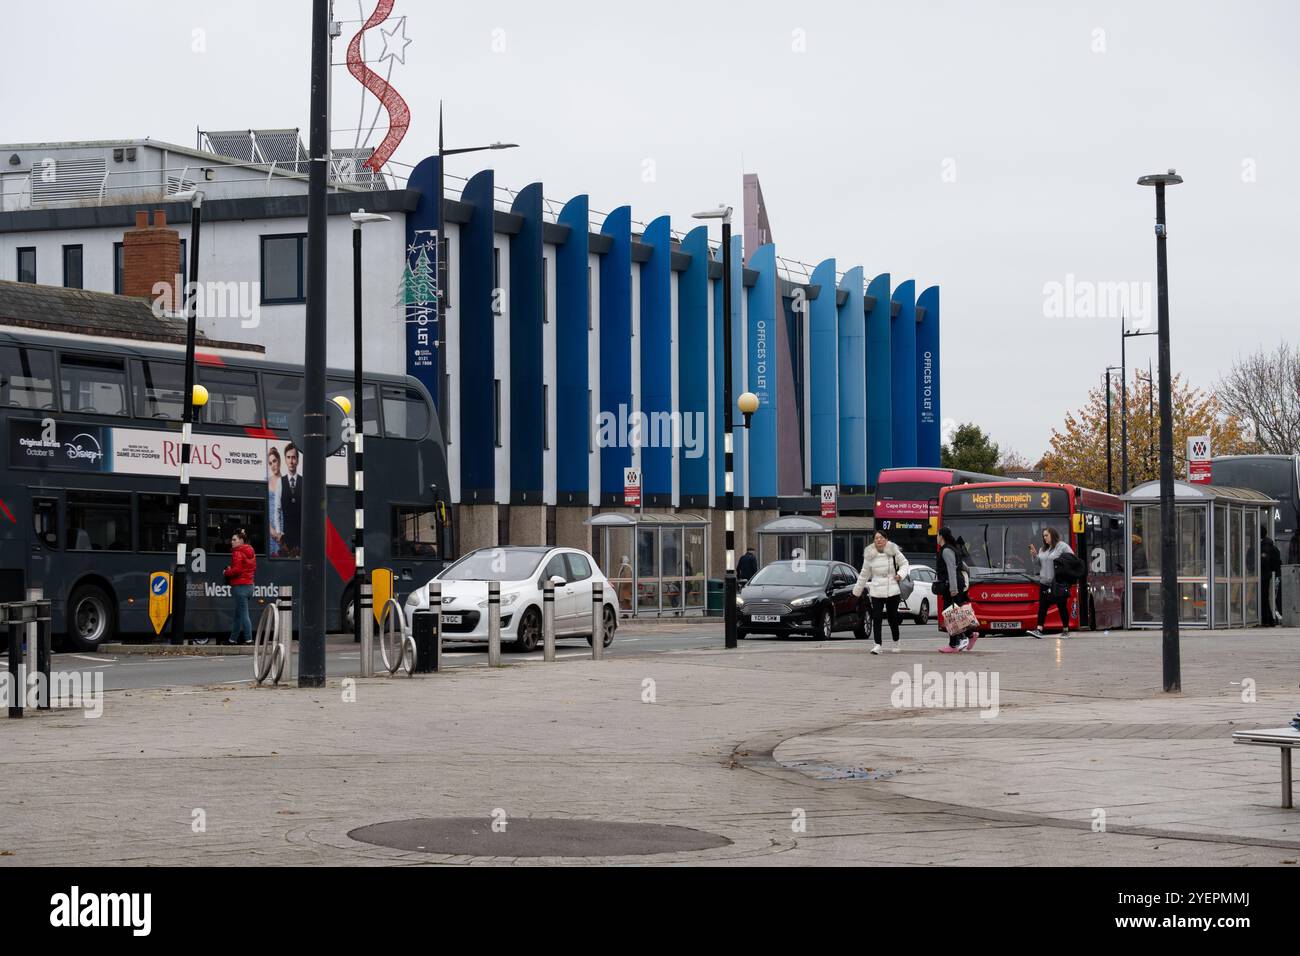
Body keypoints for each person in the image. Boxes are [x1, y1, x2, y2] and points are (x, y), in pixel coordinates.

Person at [852, 530, 911, 655]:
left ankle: (896, 641)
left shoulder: (894, 551)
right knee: (877, 617)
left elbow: (905, 564)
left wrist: (900, 574)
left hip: (892, 589)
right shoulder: (869, 555)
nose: (878, 540)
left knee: (892, 618)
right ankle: (877, 645)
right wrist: (856, 591)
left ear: (886, 539)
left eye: (881, 538)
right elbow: (864, 574)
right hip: (877, 589)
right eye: (876, 538)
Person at [1024, 527, 1074, 639]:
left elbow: (1072, 559)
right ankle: (1039, 630)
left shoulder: (1062, 546)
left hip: (1057, 583)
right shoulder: (1043, 549)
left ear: (1053, 535)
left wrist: (1062, 565)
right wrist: (1034, 555)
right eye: (1043, 536)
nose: (1044, 538)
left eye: (1046, 535)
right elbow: (1038, 564)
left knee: (1061, 606)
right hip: (1044, 582)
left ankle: (1066, 630)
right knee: (1042, 606)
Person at [935, 527, 978, 653]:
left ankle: (954, 644)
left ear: (941, 536)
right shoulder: (952, 549)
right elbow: (965, 568)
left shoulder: (947, 551)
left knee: (950, 615)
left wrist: (953, 588)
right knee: (954, 613)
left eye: (937, 535)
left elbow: (951, 570)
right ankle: (970, 635)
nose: (936, 538)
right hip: (955, 584)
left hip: (951, 586)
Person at [223, 529, 257, 646]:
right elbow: (252, 568)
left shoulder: (237, 552)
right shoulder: (251, 551)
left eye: (234, 540)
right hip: (249, 586)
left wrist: (226, 572)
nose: (231, 542)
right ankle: (232, 639)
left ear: (241, 540)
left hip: (240, 586)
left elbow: (237, 570)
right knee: (238, 614)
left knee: (244, 615)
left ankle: (249, 640)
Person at [278, 442, 302, 557]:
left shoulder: (304, 481)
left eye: (293, 457)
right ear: (285, 459)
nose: (291, 461)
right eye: (288, 457)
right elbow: (277, 509)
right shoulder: (280, 482)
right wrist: (279, 532)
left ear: (297, 460)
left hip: (301, 536)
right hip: (286, 536)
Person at [1261, 527, 1282, 627]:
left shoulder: (1264, 545)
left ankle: (1268, 619)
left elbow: (1263, 560)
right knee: (1265, 597)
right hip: (1268, 574)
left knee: (1263, 597)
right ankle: (1269, 619)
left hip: (1264, 575)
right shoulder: (1270, 544)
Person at [267, 446, 283, 558]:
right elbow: (263, 508)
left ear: (279, 461)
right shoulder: (266, 482)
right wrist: (271, 529)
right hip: (270, 531)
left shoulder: (287, 481)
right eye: (270, 463)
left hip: (283, 530)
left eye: (274, 461)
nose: (273, 465)